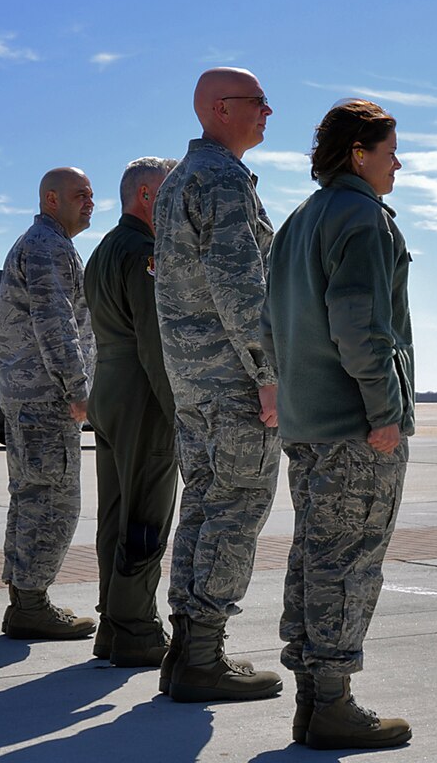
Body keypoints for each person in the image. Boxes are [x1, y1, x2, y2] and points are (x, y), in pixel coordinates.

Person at [261, 99, 413, 750]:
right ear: (359, 152)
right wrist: (385, 412)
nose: (398, 163)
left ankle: (314, 698)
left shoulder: (302, 219)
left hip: (308, 421)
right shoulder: (361, 218)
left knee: (315, 557)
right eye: (390, 150)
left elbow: (271, 322)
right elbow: (360, 327)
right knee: (349, 562)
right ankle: (332, 702)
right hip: (354, 426)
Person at [153, 67, 282, 702]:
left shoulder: (180, 179)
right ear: (221, 108)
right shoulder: (222, 179)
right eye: (259, 103)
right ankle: (202, 656)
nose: (268, 112)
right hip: (232, 380)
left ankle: (185, 653)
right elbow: (241, 288)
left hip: (193, 381)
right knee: (236, 507)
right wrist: (269, 374)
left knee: (204, 507)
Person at [84, 157, 180, 667]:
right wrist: (180, 413)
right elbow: (155, 341)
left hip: (110, 388)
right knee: (146, 515)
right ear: (146, 195)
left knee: (117, 513)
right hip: (143, 392)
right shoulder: (144, 251)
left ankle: (113, 623)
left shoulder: (104, 249)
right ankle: (135, 627)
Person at [0, 167, 98, 640]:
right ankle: (32, 603)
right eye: (80, 195)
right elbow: (57, 324)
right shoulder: (49, 247)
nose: (90, 203)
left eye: (92, 195)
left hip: (28, 395)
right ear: (51, 200)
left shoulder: (45, 244)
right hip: (46, 397)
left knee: (31, 495)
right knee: (55, 501)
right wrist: (78, 389)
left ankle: (25, 599)